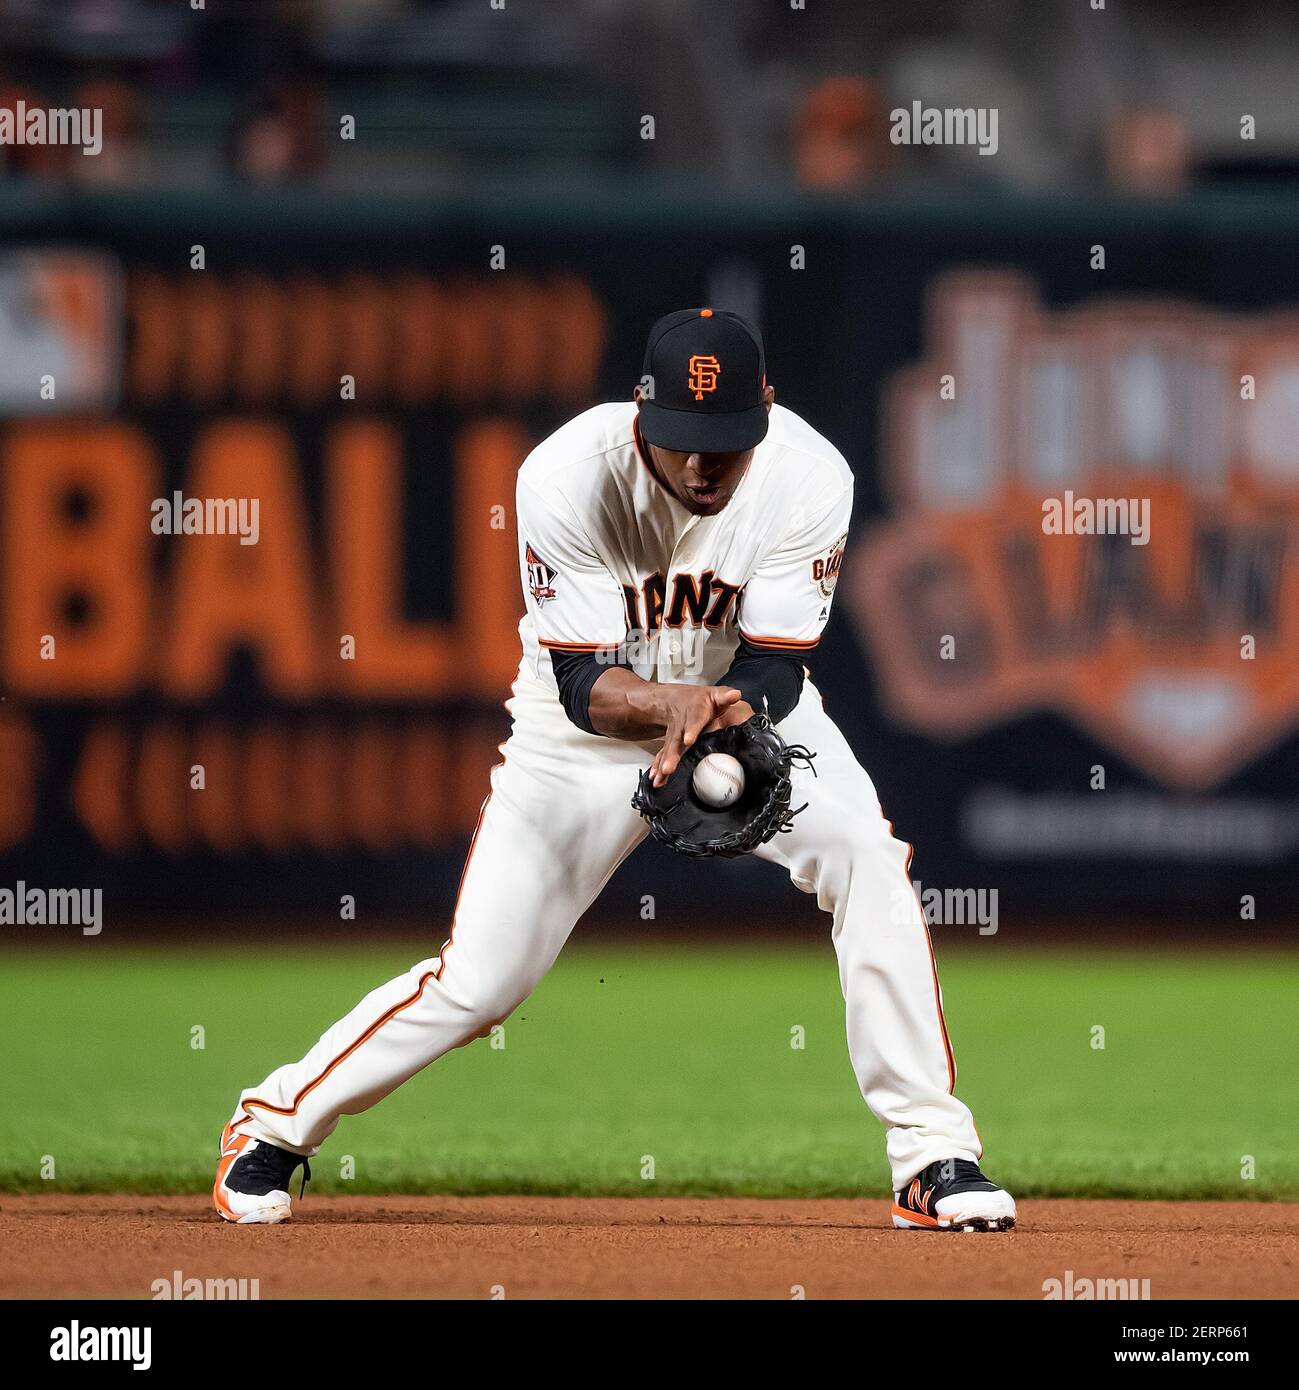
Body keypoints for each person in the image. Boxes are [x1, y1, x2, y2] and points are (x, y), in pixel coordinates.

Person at [214, 307, 1016, 1233]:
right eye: (682, 442)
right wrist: (671, 706)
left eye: (727, 442)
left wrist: (720, 714)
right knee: (482, 981)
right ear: (640, 409)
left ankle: (931, 1157)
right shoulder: (564, 474)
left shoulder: (810, 473)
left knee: (868, 859)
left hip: (741, 718)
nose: (703, 466)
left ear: (766, 407)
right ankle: (272, 1122)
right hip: (577, 746)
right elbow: (580, 683)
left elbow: (776, 663)